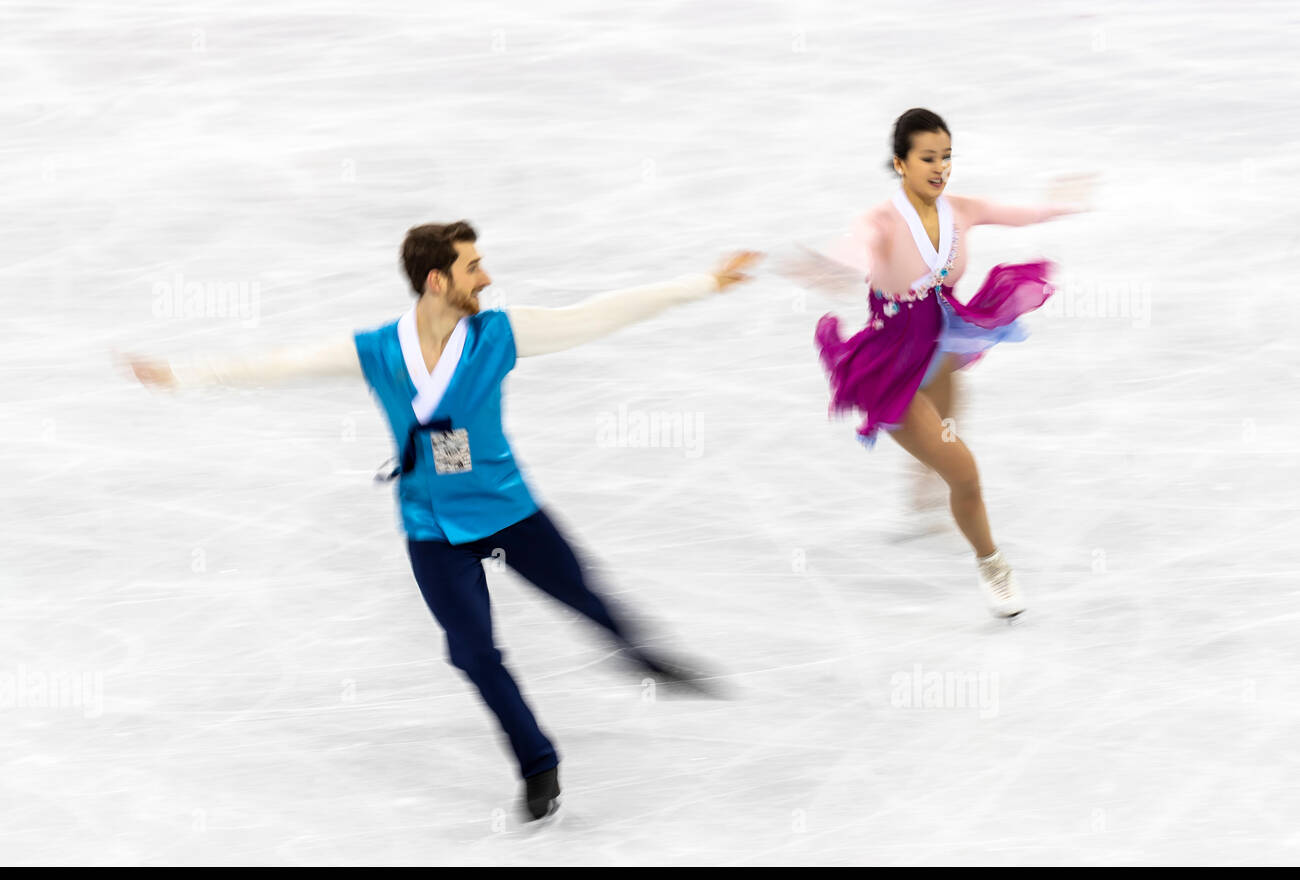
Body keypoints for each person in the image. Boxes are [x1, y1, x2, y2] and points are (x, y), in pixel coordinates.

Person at [125, 220, 760, 820]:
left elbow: (595, 316)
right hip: (432, 529)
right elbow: (282, 365)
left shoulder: (501, 335)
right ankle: (538, 763)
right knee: (472, 652)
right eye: (473, 267)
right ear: (437, 280)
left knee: (588, 597)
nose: (485, 278)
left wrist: (704, 283)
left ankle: (642, 657)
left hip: (509, 514)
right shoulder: (377, 351)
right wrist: (180, 375)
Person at [810, 108, 1089, 617]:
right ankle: (992, 564)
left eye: (946, 157)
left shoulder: (961, 209)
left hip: (940, 342)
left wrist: (1058, 206)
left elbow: (1016, 213)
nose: (940, 168)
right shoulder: (880, 221)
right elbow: (856, 246)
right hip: (892, 368)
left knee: (951, 415)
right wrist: (833, 265)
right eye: (927, 158)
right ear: (900, 163)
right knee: (964, 473)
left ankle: (920, 498)